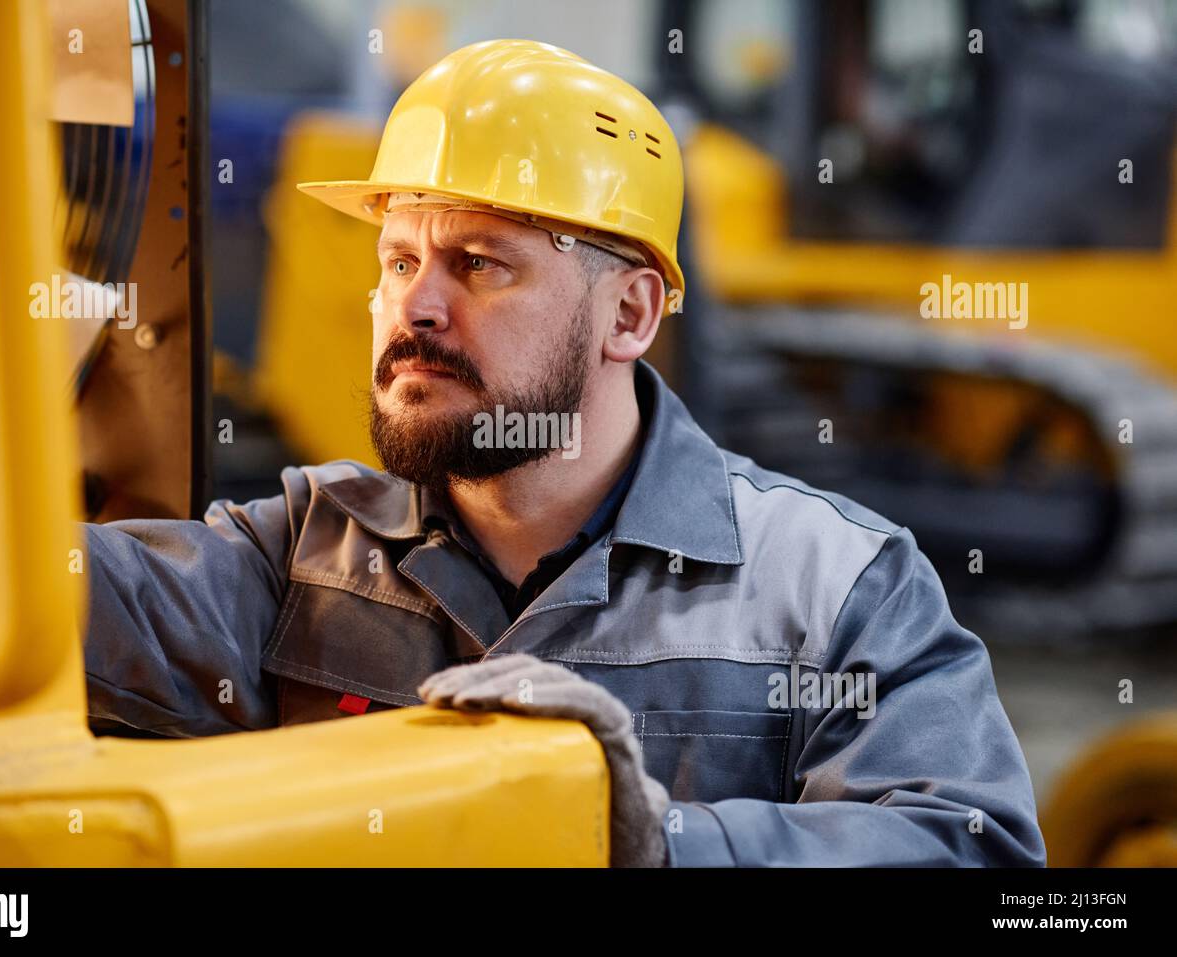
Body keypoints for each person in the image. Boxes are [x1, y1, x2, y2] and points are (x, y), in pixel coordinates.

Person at [82, 39, 1046, 868]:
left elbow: (971, 844)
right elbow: (55, 595)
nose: (414, 306)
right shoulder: (302, 554)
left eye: (481, 262)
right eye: (399, 259)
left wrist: (660, 839)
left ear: (628, 313)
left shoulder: (832, 588)